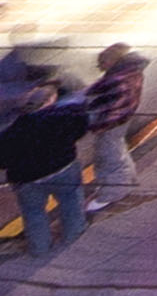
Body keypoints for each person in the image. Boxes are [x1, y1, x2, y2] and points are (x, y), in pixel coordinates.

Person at [0, 81, 80, 263]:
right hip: (64, 169)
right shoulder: (63, 118)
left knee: (33, 213)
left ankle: (40, 248)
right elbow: (80, 128)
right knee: (70, 203)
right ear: (49, 101)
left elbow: (2, 161)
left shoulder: (13, 131)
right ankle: (73, 238)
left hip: (27, 180)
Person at [77, 48, 142, 211]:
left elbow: (109, 106)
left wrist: (96, 122)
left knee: (109, 157)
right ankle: (128, 181)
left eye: (102, 63)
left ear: (112, 61)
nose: (99, 67)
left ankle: (111, 194)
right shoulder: (128, 72)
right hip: (122, 120)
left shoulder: (118, 80)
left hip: (112, 123)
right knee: (118, 150)